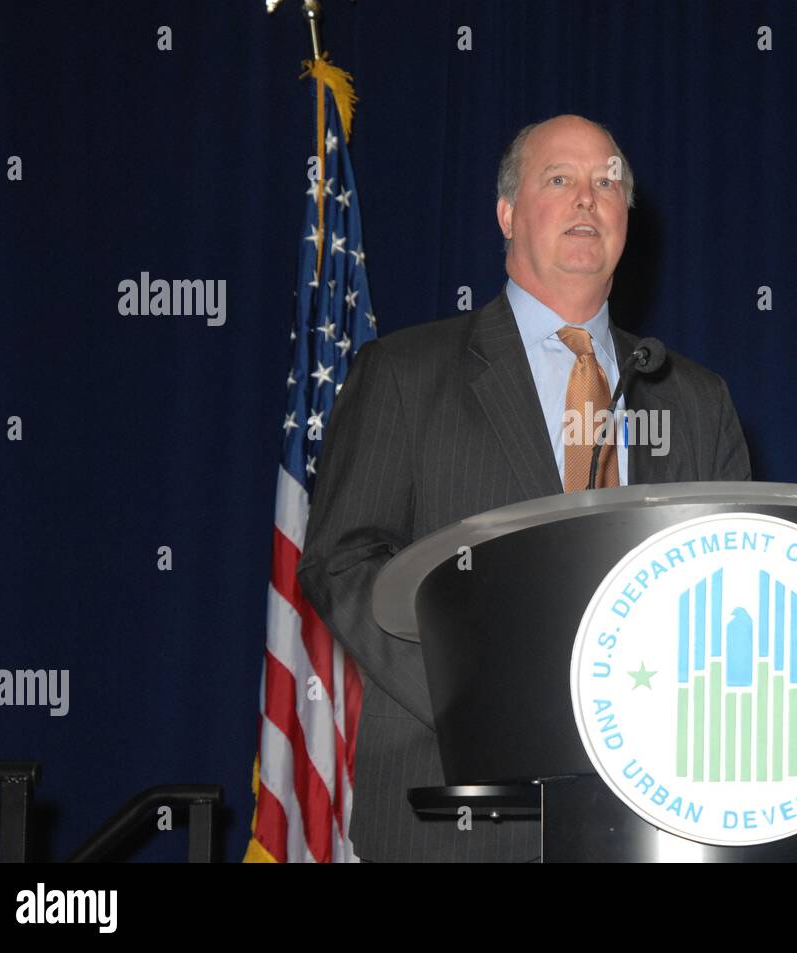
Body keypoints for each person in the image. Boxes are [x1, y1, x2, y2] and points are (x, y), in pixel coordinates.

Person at [297, 114, 751, 862]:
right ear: (508, 213)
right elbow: (341, 561)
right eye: (560, 179)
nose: (587, 199)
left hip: (654, 819)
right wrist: (482, 700)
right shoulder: (406, 374)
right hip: (457, 816)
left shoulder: (694, 397)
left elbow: (736, 587)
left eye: (607, 183)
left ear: (626, 222)